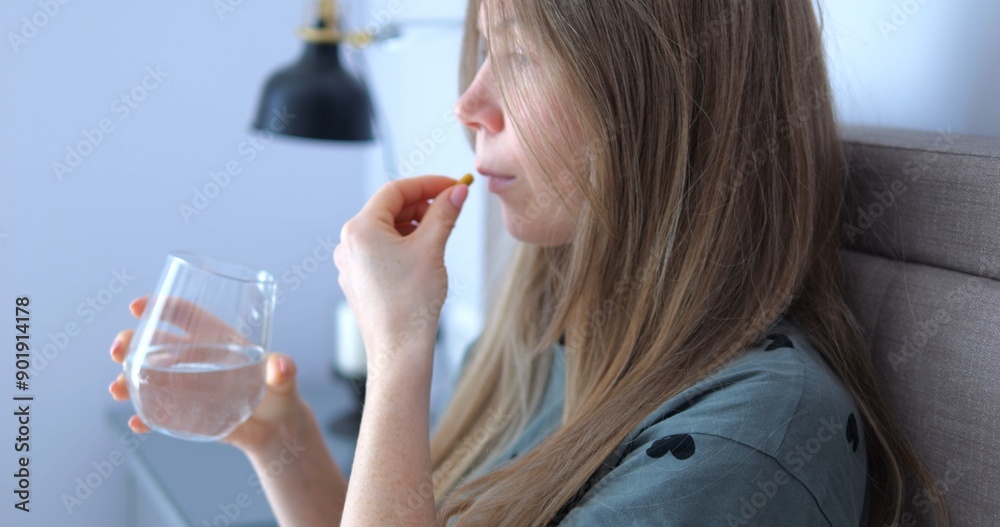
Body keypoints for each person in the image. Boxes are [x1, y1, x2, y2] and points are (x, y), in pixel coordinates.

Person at [108, 0, 951, 525]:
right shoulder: (551, 340)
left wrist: (399, 346)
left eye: (514, 50)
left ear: (656, 89)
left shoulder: (758, 441)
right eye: (482, 48)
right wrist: (280, 435)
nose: (468, 103)